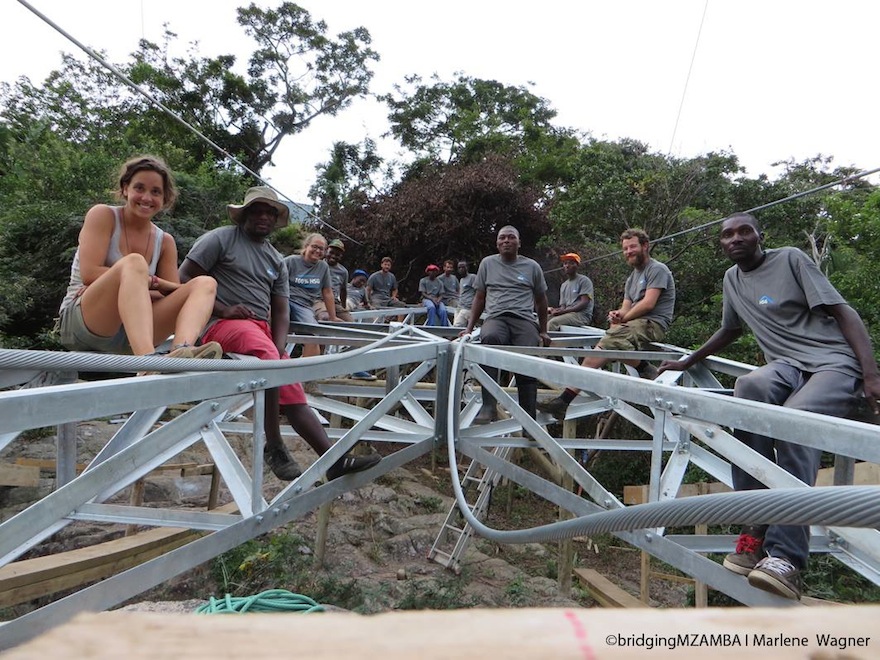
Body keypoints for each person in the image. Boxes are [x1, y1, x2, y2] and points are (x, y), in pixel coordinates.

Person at [658, 212, 880, 600]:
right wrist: (687, 361)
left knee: (793, 422)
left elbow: (844, 312)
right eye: (728, 234)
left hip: (832, 362)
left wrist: (871, 374)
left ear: (761, 236)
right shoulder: (732, 279)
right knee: (748, 388)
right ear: (722, 244)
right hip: (786, 366)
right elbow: (730, 330)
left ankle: (787, 557)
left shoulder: (791, 259)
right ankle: (754, 522)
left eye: (744, 231)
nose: (736, 238)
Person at [179, 187, 380, 481]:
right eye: (257, 211)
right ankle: (273, 445)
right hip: (220, 325)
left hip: (260, 329)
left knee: (288, 379)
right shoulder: (220, 239)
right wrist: (223, 309)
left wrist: (279, 345)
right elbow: (184, 276)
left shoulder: (275, 259)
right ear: (245, 214)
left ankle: (333, 460)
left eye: (269, 213)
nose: (263, 217)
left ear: (275, 220)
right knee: (270, 358)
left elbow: (281, 309)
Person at [58, 155, 220, 364]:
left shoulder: (165, 242)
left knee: (206, 283)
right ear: (125, 188)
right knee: (134, 264)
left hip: (134, 332)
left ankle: (182, 351)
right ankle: (146, 364)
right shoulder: (103, 215)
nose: (146, 197)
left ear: (164, 199)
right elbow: (89, 274)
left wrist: (144, 283)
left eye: (155, 192)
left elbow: (170, 294)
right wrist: (145, 280)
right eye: (139, 188)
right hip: (86, 323)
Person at [538, 229, 675, 419]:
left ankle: (564, 400)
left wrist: (624, 319)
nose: (628, 251)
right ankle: (645, 367)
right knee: (610, 339)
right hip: (634, 324)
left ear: (645, 246)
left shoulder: (657, 269)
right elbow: (626, 308)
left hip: (653, 323)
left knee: (606, 344)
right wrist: (618, 315)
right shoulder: (632, 278)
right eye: (625, 249)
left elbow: (648, 303)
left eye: (632, 246)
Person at [463, 225, 551, 424]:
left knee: (527, 354)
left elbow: (541, 300)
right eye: (502, 238)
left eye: (511, 237)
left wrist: (544, 330)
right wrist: (468, 329)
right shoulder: (487, 264)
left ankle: (528, 416)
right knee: (489, 338)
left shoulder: (532, 267)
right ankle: (488, 406)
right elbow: (479, 297)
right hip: (496, 317)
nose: (506, 241)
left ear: (519, 243)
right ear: (497, 243)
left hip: (524, 319)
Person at [548, 253, 594, 331]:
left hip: (581, 315)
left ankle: (549, 343)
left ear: (577, 265)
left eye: (571, 263)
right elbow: (563, 306)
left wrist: (563, 311)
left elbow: (584, 303)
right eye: (565, 263)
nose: (567, 266)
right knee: (540, 320)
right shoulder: (564, 285)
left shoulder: (584, 280)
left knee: (553, 323)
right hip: (567, 314)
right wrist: (555, 310)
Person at [323, 238, 354, 323]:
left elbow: (343, 290)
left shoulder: (343, 272)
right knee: (325, 319)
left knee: (350, 323)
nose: (333, 256)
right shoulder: (318, 265)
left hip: (334, 302)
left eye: (337, 254)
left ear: (341, 256)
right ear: (326, 251)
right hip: (320, 300)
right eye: (331, 252)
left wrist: (343, 307)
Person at [453, 260, 477, 328]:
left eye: (463, 267)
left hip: (467, 307)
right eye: (459, 268)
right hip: (460, 306)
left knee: (457, 326)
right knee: (455, 327)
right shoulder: (461, 280)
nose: (461, 269)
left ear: (467, 267)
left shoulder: (473, 277)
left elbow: (478, 291)